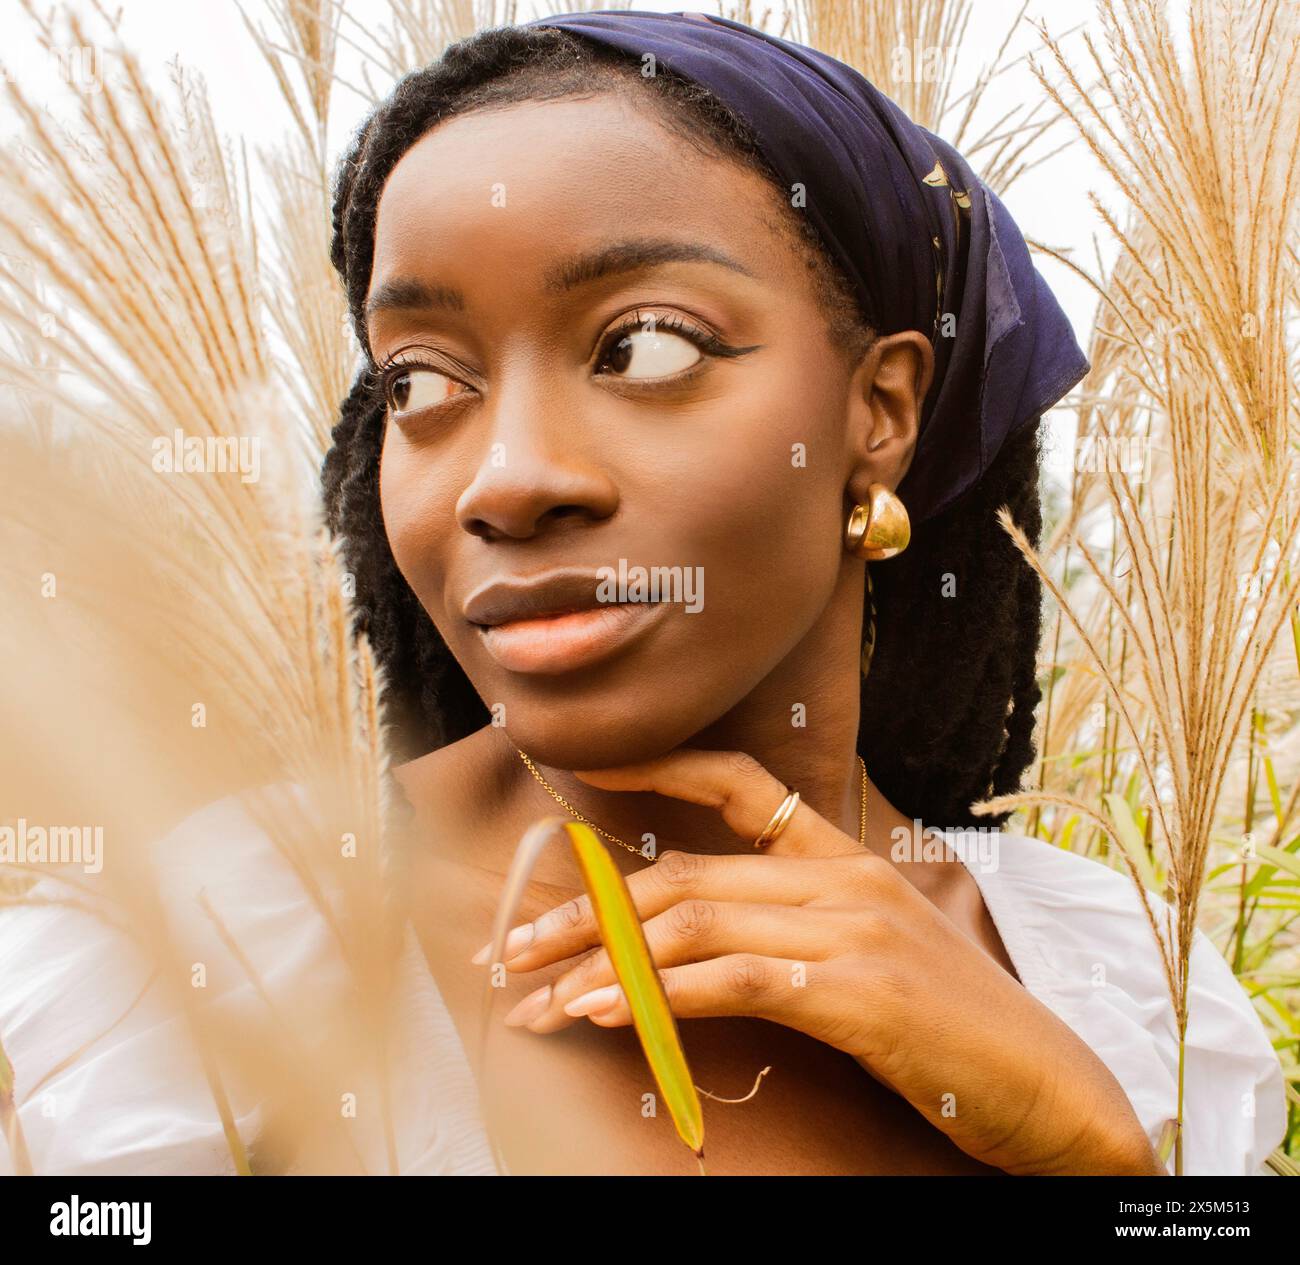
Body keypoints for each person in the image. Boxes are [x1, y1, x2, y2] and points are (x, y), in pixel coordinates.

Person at [0, 11, 1285, 1177]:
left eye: (645, 346)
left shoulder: (1124, 986)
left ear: (878, 409)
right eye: (422, 383)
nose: (503, 481)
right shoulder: (197, 954)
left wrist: (1093, 1153)